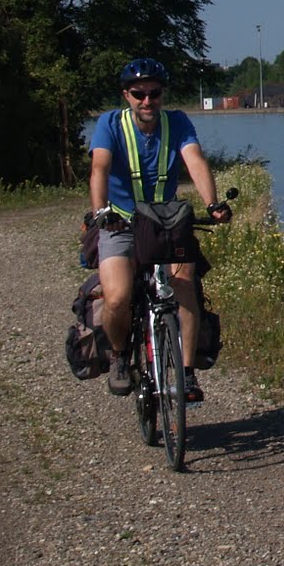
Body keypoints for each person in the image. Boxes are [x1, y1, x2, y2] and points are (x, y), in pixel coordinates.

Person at [87, 58, 231, 402]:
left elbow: (194, 160)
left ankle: (186, 373)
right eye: (139, 94)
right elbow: (100, 167)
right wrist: (101, 212)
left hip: (166, 222)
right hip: (120, 222)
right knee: (118, 297)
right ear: (127, 95)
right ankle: (121, 355)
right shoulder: (110, 124)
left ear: (163, 94)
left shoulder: (177, 122)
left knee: (184, 286)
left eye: (154, 94)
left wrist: (212, 203)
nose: (147, 101)